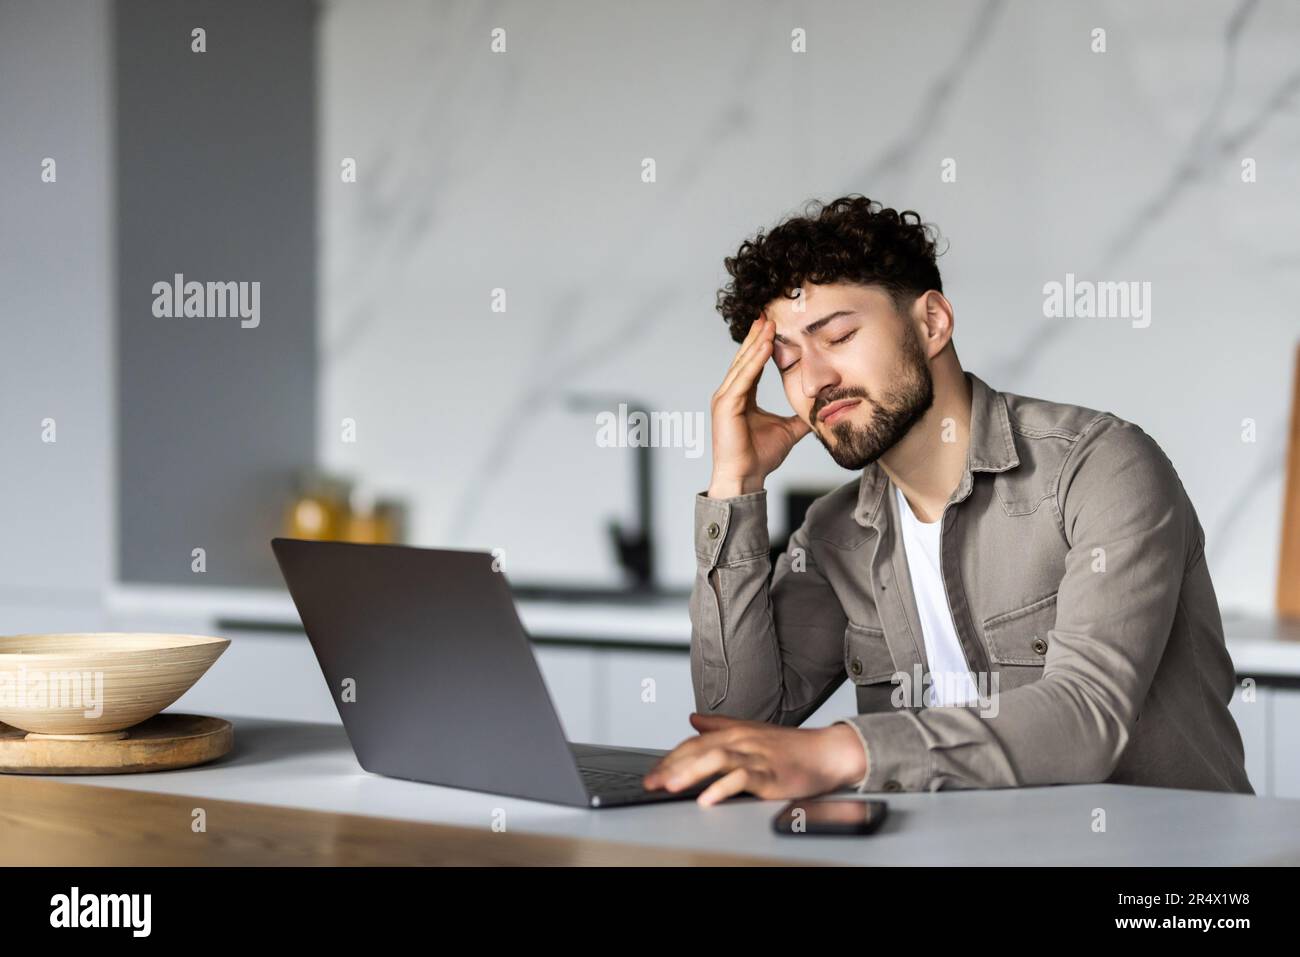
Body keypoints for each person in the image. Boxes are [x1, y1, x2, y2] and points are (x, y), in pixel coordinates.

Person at [642, 196, 1253, 804]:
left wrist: (844, 750)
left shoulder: (1099, 465)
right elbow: (741, 721)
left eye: (839, 335)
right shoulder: (834, 537)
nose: (812, 380)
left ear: (932, 323)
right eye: (788, 360)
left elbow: (1088, 717)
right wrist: (735, 485)